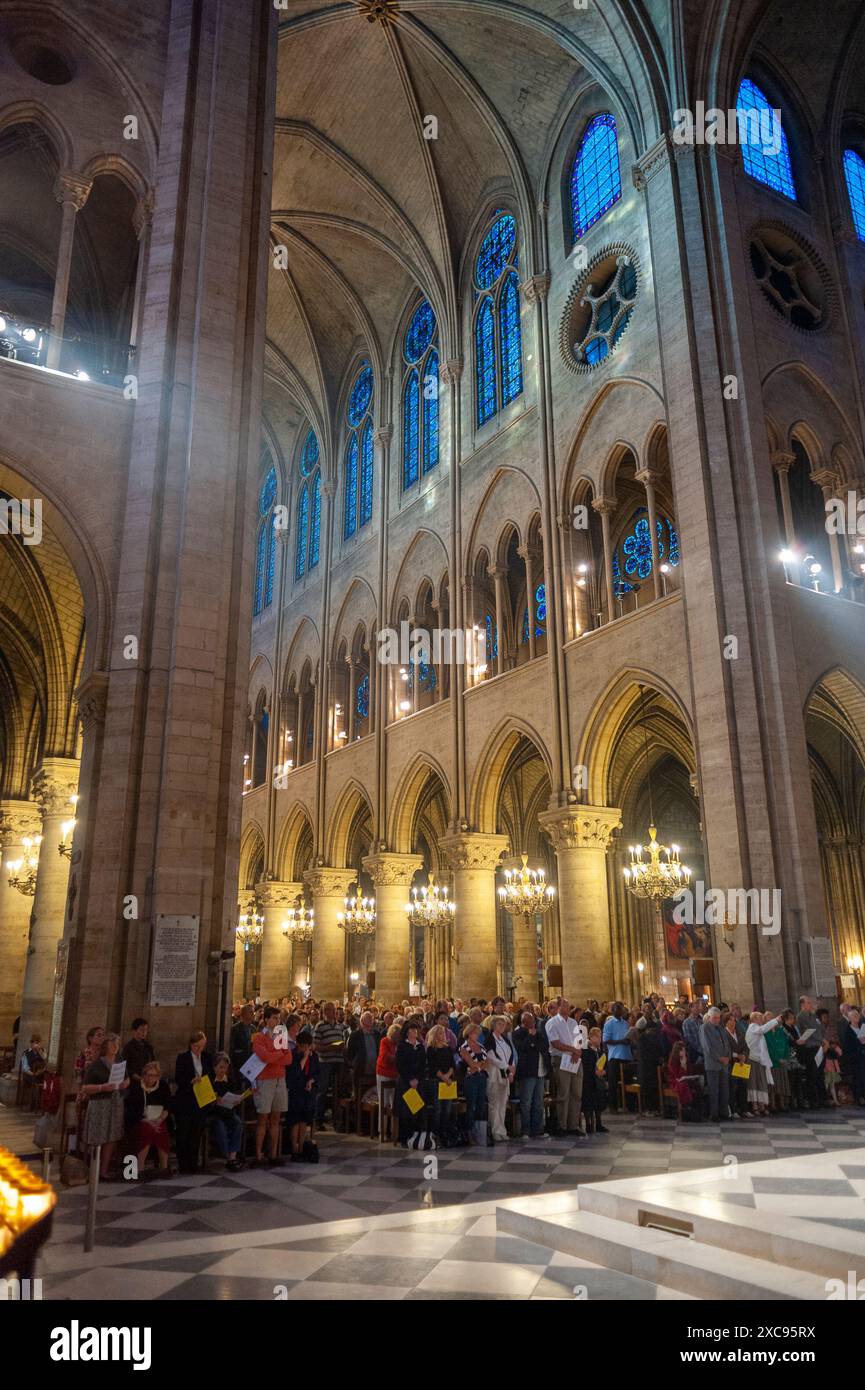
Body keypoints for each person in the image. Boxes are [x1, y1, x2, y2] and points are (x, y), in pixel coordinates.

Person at [81, 1032, 130, 1179]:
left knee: (111, 1136)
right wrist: (102, 1087)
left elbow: (127, 1079)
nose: (115, 1046)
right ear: (106, 1046)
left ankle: (103, 1170)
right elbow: (85, 1088)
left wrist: (124, 1084)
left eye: (117, 1044)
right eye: (112, 1044)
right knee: (98, 1135)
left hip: (115, 1102)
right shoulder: (97, 1064)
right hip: (100, 1104)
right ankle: (92, 1169)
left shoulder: (120, 1060)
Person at [251, 1005, 291, 1166]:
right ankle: (258, 1155)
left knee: (276, 1118)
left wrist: (273, 1056)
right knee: (263, 1118)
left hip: (279, 1079)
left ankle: (273, 1154)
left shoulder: (281, 1036)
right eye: (274, 1018)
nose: (277, 1021)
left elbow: (288, 1059)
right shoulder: (259, 1037)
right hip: (265, 1080)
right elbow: (264, 1056)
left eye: (279, 1018)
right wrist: (278, 1055)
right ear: (266, 1019)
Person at [174, 1031, 216, 1174]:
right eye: (197, 1046)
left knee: (195, 1133)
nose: (199, 1049)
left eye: (202, 1046)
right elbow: (178, 1078)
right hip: (186, 1099)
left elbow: (211, 1074)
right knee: (184, 1132)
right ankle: (183, 1164)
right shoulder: (183, 1058)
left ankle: (193, 1163)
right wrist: (190, 1081)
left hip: (201, 1099)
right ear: (191, 1045)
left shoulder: (207, 1057)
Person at [126, 1059, 172, 1175]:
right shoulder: (137, 1088)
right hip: (141, 1120)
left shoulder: (163, 1086)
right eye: (149, 1075)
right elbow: (133, 1111)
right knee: (147, 1129)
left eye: (155, 1075)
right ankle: (140, 1167)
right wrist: (149, 1121)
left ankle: (164, 1167)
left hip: (158, 1118)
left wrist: (159, 1119)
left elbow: (168, 1107)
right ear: (144, 1075)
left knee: (161, 1129)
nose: (151, 1078)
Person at [512, 1009, 549, 1139]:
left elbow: (544, 1046)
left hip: (540, 1071)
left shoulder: (538, 1033)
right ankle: (526, 1130)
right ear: (524, 1021)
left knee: (539, 1102)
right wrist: (531, 1038)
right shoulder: (517, 1033)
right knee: (526, 1102)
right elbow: (522, 1047)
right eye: (531, 1020)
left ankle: (537, 1129)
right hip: (528, 1072)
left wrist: (533, 1042)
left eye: (533, 1019)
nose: (534, 1021)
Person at [285, 1028, 319, 1160]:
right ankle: (294, 1148)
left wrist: (311, 1080)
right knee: (295, 1120)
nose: (306, 1049)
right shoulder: (292, 1055)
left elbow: (317, 1071)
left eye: (308, 1046)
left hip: (307, 1091)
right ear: (298, 1045)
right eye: (303, 1046)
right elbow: (295, 1072)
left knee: (304, 1119)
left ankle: (301, 1147)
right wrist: (304, 1057)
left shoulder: (314, 1056)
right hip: (295, 1090)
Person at [209, 1052, 245, 1171]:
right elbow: (205, 1101)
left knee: (238, 1123)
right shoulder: (209, 1081)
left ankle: (232, 1157)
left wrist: (236, 1100)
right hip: (214, 1113)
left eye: (225, 1067)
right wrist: (215, 1100)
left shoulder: (230, 1081)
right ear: (214, 1067)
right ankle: (228, 1156)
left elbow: (233, 1094)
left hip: (227, 1111)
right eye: (220, 1067)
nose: (223, 1070)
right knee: (220, 1127)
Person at [313, 1002, 346, 1129]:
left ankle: (337, 1120)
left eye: (332, 1010)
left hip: (338, 1062)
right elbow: (316, 1046)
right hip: (325, 1062)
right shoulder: (319, 1026)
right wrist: (330, 1047)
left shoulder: (339, 1026)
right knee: (322, 1091)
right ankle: (318, 1120)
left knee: (338, 1092)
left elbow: (341, 1041)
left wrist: (342, 1046)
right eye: (327, 1010)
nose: (330, 1012)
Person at [395, 1021, 427, 1145]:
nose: (415, 1032)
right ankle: (404, 1137)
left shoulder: (420, 1046)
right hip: (405, 1082)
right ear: (407, 1031)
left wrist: (417, 1079)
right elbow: (400, 1065)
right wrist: (410, 1079)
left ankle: (415, 1136)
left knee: (417, 1109)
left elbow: (423, 1065)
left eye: (416, 1030)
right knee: (406, 1110)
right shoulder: (402, 1046)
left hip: (418, 1082)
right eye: (412, 1030)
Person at [425, 1023, 457, 1145]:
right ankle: (436, 1133)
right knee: (437, 1109)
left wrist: (448, 1075)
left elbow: (452, 1065)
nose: (442, 1035)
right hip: (436, 1081)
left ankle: (445, 1134)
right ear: (434, 1035)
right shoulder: (431, 1049)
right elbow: (433, 1066)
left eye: (443, 1032)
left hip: (448, 1081)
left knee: (447, 1109)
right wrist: (443, 1077)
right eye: (440, 1033)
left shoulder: (448, 1048)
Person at [744, 1011, 781, 1116]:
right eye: (760, 1018)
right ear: (754, 1019)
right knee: (754, 1082)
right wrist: (775, 1020)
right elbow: (763, 1029)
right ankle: (755, 1106)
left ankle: (761, 1104)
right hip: (752, 1060)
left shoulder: (756, 1028)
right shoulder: (753, 1027)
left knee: (761, 1082)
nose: (762, 1020)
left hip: (760, 1060)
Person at [485, 1015, 515, 1142]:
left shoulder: (505, 1040)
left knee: (503, 1103)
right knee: (494, 1103)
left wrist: (511, 1070)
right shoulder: (489, 1039)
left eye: (503, 1024)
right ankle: (495, 1130)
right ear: (493, 1025)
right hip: (494, 1073)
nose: (502, 1026)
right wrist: (506, 1067)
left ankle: (502, 1130)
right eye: (499, 1024)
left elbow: (511, 1056)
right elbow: (491, 1056)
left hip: (506, 1074)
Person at [459, 1022, 489, 1143]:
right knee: (472, 1105)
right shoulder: (464, 1047)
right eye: (474, 1033)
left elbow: (487, 1063)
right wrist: (478, 1065)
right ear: (469, 1033)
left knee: (481, 1104)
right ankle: (469, 1132)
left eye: (478, 1033)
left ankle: (479, 1132)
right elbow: (471, 1063)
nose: (477, 1035)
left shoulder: (481, 1047)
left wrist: (478, 1066)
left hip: (481, 1077)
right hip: (470, 1079)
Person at [700, 1007, 731, 1121]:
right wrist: (719, 1058)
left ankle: (724, 1113)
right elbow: (707, 1047)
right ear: (709, 1017)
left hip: (724, 1064)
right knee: (714, 1090)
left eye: (718, 1018)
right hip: (713, 1064)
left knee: (724, 1089)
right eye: (714, 1018)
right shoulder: (704, 1028)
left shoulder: (721, 1028)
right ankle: (714, 1114)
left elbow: (726, 1043)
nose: (717, 1020)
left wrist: (727, 1057)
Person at [796, 995, 826, 1109]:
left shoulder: (814, 1016)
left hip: (819, 1047)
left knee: (820, 1074)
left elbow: (820, 1029)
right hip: (810, 1048)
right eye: (808, 1003)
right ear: (802, 1005)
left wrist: (823, 1040)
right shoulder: (801, 1017)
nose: (811, 1005)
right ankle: (813, 1100)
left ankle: (822, 1098)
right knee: (812, 1075)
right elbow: (805, 1031)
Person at [602, 1003, 631, 1112]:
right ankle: (613, 1106)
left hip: (626, 1055)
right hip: (614, 1056)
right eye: (618, 1009)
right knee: (613, 1082)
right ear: (613, 1011)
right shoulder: (609, 1024)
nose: (620, 1011)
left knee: (627, 1081)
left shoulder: (626, 1023)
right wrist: (620, 1041)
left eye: (621, 1009)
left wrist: (629, 1040)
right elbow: (606, 1040)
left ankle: (628, 1104)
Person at [635, 1007, 664, 1114]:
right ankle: (648, 1109)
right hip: (645, 1066)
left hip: (653, 1065)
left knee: (653, 1087)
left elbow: (657, 1049)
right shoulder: (642, 1039)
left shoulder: (653, 1037)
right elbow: (643, 1053)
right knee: (647, 1088)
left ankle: (655, 1108)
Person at [346, 1010, 380, 1100]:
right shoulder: (355, 1035)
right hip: (360, 1071)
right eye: (367, 1019)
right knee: (359, 1095)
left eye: (371, 1019)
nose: (370, 1021)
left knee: (372, 1096)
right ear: (362, 1022)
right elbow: (350, 1053)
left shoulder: (376, 1034)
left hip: (374, 1071)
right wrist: (354, 1064)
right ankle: (358, 1112)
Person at [581, 1026, 608, 1133]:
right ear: (591, 1037)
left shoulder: (600, 1051)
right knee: (588, 1101)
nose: (599, 1039)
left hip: (598, 1080)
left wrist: (604, 1071)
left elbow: (604, 1063)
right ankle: (588, 1124)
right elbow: (586, 1066)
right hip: (588, 1080)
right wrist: (594, 1071)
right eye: (597, 1037)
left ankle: (599, 1123)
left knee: (599, 1100)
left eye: (600, 1037)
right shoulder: (586, 1051)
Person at [375, 1021, 400, 1122]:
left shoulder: (399, 1044)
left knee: (395, 1103)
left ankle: (393, 1130)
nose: (399, 1037)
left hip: (395, 1075)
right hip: (383, 1073)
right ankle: (382, 1130)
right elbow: (385, 1056)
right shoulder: (384, 1041)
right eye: (397, 1035)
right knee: (384, 1102)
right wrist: (398, 1058)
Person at [229, 1003, 255, 1082]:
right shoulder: (235, 1028)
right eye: (250, 1012)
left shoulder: (253, 1028)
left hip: (250, 1062)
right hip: (239, 1062)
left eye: (253, 1012)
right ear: (244, 1014)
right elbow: (232, 1048)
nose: (253, 1014)